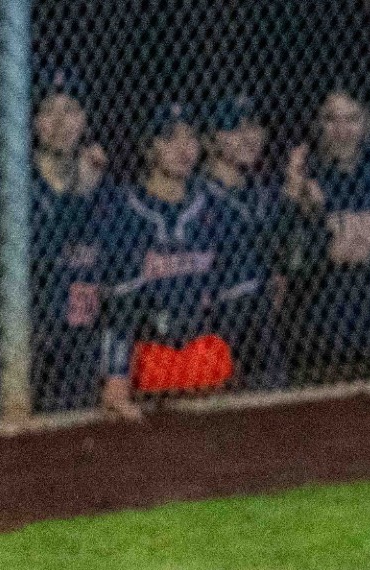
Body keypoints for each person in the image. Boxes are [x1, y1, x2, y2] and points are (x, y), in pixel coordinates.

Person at [92, 103, 257, 416]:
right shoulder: (124, 211)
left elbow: (239, 298)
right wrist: (116, 376)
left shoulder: (218, 208)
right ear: (149, 148)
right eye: (169, 138)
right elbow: (119, 306)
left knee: (212, 357)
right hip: (149, 352)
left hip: (204, 349)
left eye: (190, 137)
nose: (184, 148)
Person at [281, 88, 370, 383]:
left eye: (352, 119)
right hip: (322, 335)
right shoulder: (304, 178)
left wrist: (348, 228)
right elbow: (292, 260)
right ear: (318, 124)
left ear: (367, 123)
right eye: (331, 119)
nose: (342, 131)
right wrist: (322, 230)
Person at [26, 66, 110, 411]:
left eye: (71, 110)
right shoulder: (12, 182)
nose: (61, 123)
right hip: (25, 334)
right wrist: (77, 196)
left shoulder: (100, 183)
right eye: (48, 111)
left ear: (85, 120)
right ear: (33, 122)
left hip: (83, 336)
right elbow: (38, 258)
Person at [199, 94, 289, 390]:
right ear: (210, 141)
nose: (248, 137)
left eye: (253, 127)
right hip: (216, 316)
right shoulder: (199, 195)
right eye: (234, 129)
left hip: (262, 315)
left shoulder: (263, 191)